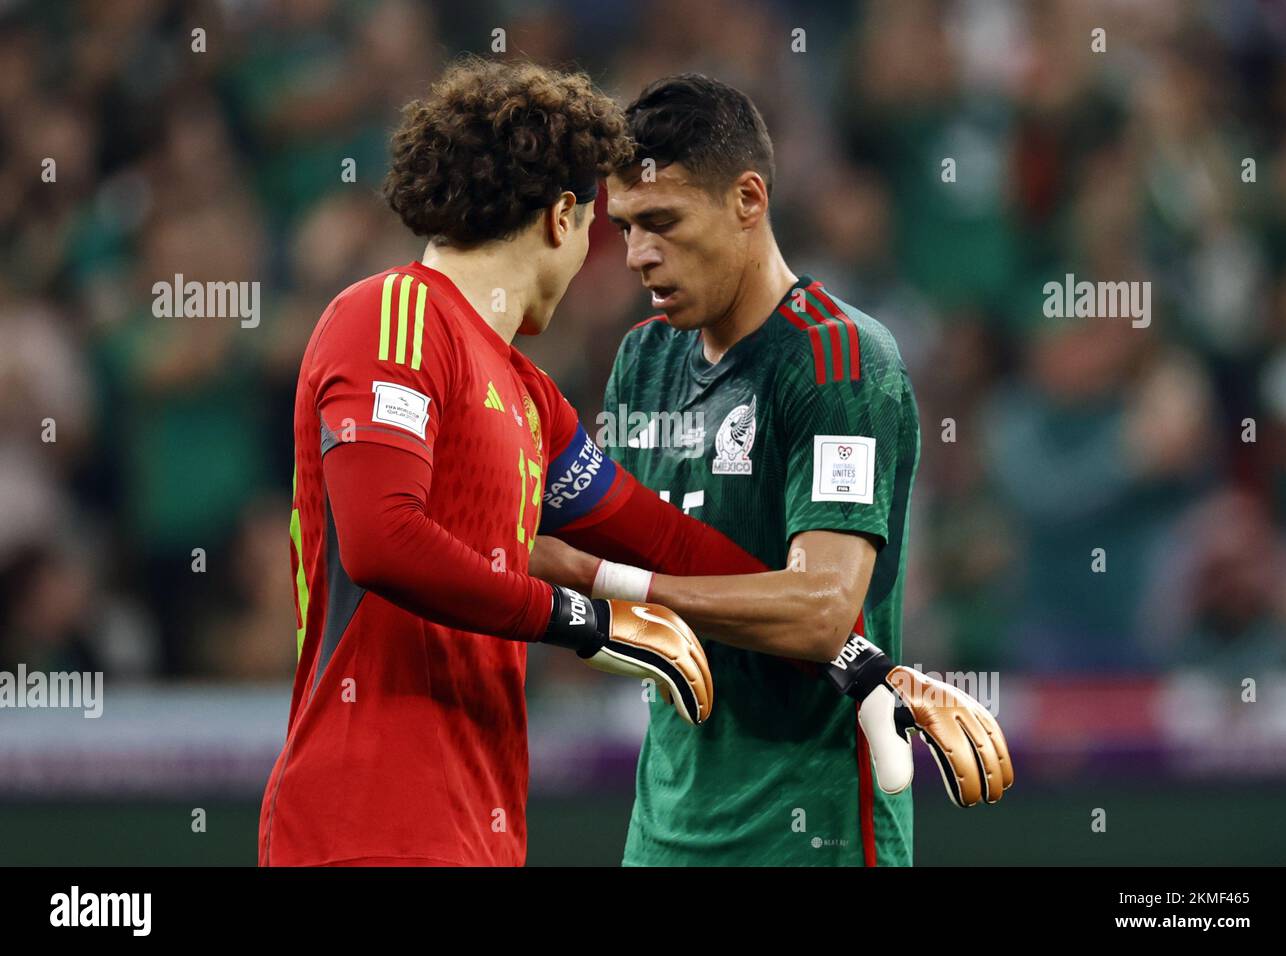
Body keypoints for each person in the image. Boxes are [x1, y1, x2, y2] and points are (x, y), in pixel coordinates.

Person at [259, 58, 752, 867]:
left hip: (475, 832)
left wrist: (845, 641)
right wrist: (582, 622)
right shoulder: (392, 316)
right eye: (597, 225)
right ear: (561, 218)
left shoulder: (528, 396)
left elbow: (660, 541)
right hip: (363, 829)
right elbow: (381, 541)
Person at [530, 74, 1011, 866]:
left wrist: (599, 577)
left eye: (663, 222)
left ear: (748, 200)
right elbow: (607, 577)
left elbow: (820, 611)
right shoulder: (641, 361)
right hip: (663, 831)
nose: (638, 255)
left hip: (811, 832)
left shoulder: (841, 362)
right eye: (625, 227)